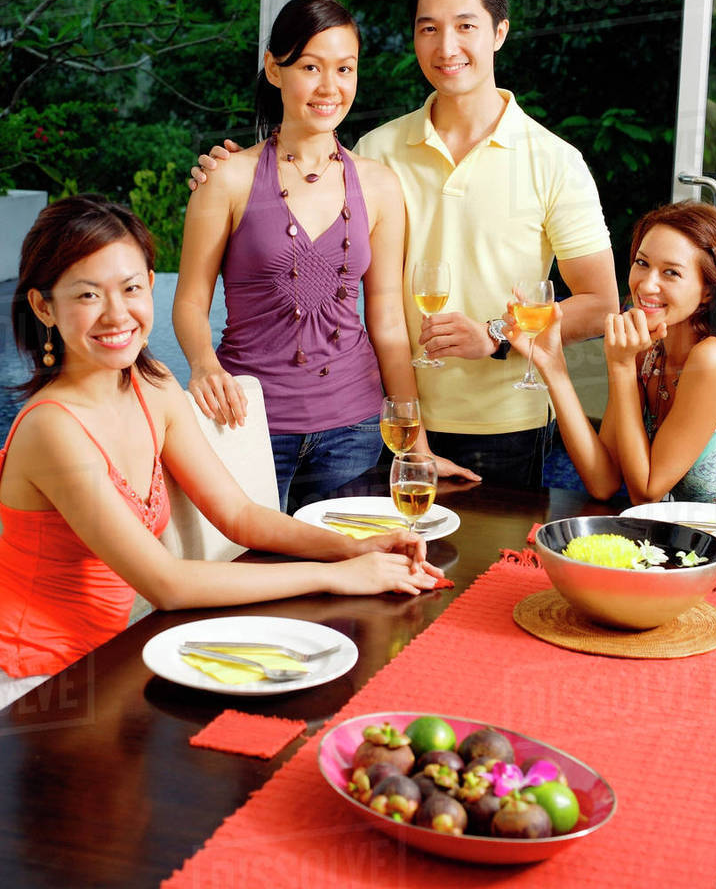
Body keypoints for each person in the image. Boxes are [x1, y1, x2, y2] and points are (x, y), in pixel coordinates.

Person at [191, 0, 618, 490]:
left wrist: (495, 335)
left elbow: (600, 306)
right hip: (379, 418)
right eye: (428, 29)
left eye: (466, 27)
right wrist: (227, 176)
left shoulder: (555, 161)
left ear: (499, 33)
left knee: (487, 569)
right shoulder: (377, 151)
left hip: (505, 422)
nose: (447, 47)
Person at [0, 195, 442, 708]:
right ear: (43, 306)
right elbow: (166, 584)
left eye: (131, 287)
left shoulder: (153, 386)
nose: (116, 313)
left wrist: (354, 547)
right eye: (87, 296)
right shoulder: (53, 428)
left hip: (113, 660)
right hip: (34, 683)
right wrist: (335, 576)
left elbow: (239, 514)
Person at [174, 0, 475, 513]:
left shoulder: (380, 186)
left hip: (354, 429)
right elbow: (188, 301)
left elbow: (386, 324)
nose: (329, 87)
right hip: (244, 421)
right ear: (274, 69)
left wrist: (414, 443)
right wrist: (203, 366)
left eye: (345, 68)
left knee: (343, 577)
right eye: (310, 67)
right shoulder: (225, 179)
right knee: (251, 578)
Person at [509, 200, 716, 512]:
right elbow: (602, 481)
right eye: (642, 263)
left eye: (671, 272)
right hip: (700, 540)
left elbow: (646, 495)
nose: (647, 285)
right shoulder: (646, 351)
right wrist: (554, 367)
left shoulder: (714, 358)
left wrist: (620, 367)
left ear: (708, 290)